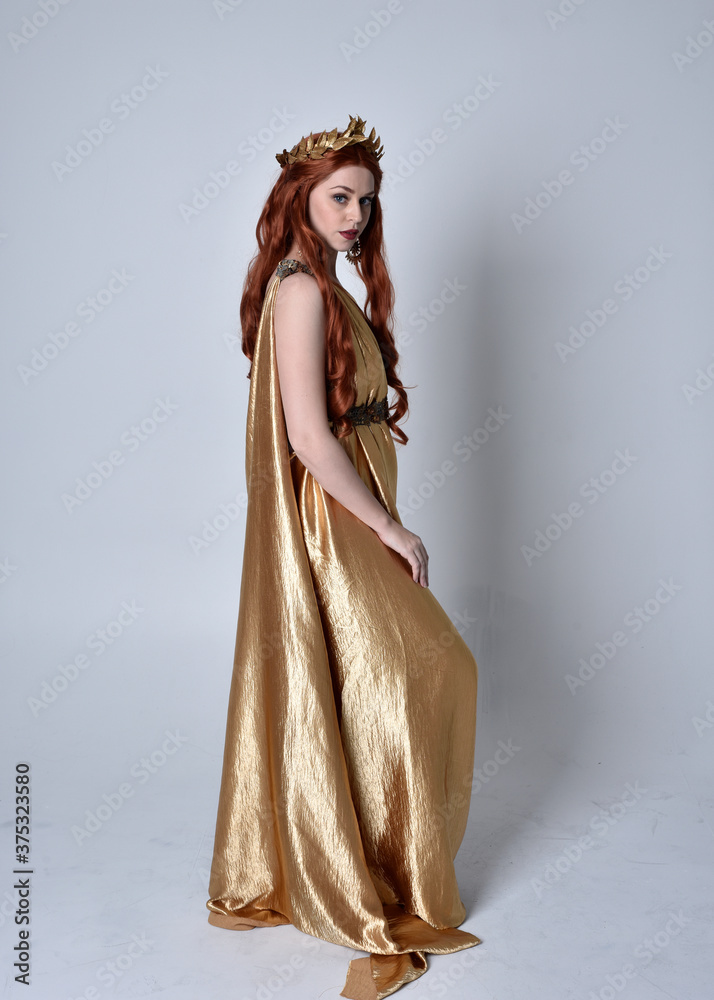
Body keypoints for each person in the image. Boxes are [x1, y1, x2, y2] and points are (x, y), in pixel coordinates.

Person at [206, 115, 481, 1000]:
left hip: (355, 505)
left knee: (395, 674)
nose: (357, 213)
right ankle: (377, 873)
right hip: (331, 518)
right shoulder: (298, 289)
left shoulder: (326, 283)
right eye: (340, 197)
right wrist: (390, 530)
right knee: (424, 667)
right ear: (300, 197)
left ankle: (379, 851)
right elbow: (311, 441)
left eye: (366, 199)